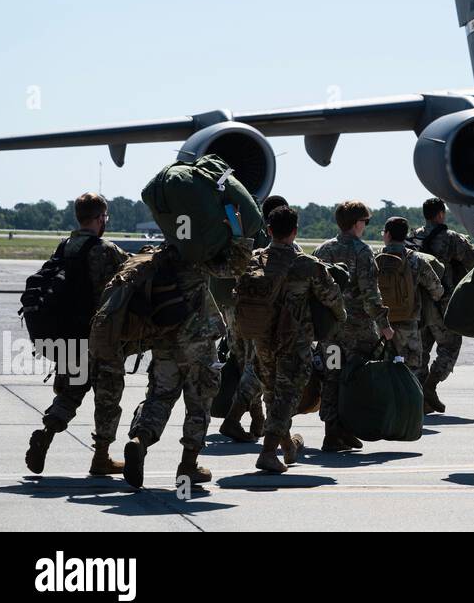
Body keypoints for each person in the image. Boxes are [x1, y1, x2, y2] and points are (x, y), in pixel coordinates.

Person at [123, 233, 254, 488]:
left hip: (163, 341)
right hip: (197, 344)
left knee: (158, 398)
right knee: (199, 403)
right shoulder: (196, 256)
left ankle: (140, 440)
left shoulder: (157, 257)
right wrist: (239, 234)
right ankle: (188, 465)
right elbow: (237, 266)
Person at [25, 192, 130, 476]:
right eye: (104, 217)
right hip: (101, 338)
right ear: (99, 218)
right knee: (107, 400)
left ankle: (47, 432)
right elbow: (130, 273)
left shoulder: (64, 246)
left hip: (71, 337)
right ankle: (102, 457)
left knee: (71, 393)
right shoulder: (106, 249)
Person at [246, 205, 346, 473]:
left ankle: (287, 446)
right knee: (287, 396)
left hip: (261, 340)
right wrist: (340, 317)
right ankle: (268, 452)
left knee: (271, 394)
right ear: (295, 231)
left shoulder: (255, 260)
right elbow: (332, 297)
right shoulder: (305, 264)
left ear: (269, 231)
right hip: (294, 342)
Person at [313, 200, 392, 452]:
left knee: (332, 376)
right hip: (357, 332)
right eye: (364, 221)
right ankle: (346, 428)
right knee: (356, 378)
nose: (365, 226)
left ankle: (333, 431)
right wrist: (385, 325)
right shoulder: (362, 251)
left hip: (330, 331)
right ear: (356, 223)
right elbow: (371, 294)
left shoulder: (322, 250)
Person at [214, 193, 287, 444]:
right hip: (254, 311)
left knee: (245, 361)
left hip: (232, 306)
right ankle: (235, 419)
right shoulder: (265, 237)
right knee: (255, 364)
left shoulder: (241, 227)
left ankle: (256, 420)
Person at [409, 198, 474, 414]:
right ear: (440, 214)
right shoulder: (450, 238)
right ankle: (430, 386)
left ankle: (420, 396)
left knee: (422, 349)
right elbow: (472, 260)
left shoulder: (413, 237)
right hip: (441, 303)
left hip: (417, 303)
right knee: (450, 345)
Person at [377, 216, 444, 384]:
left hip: (381, 325)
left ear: (388, 235)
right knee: (411, 372)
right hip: (408, 323)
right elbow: (437, 291)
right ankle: (408, 407)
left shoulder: (374, 258)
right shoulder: (416, 259)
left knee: (381, 369)